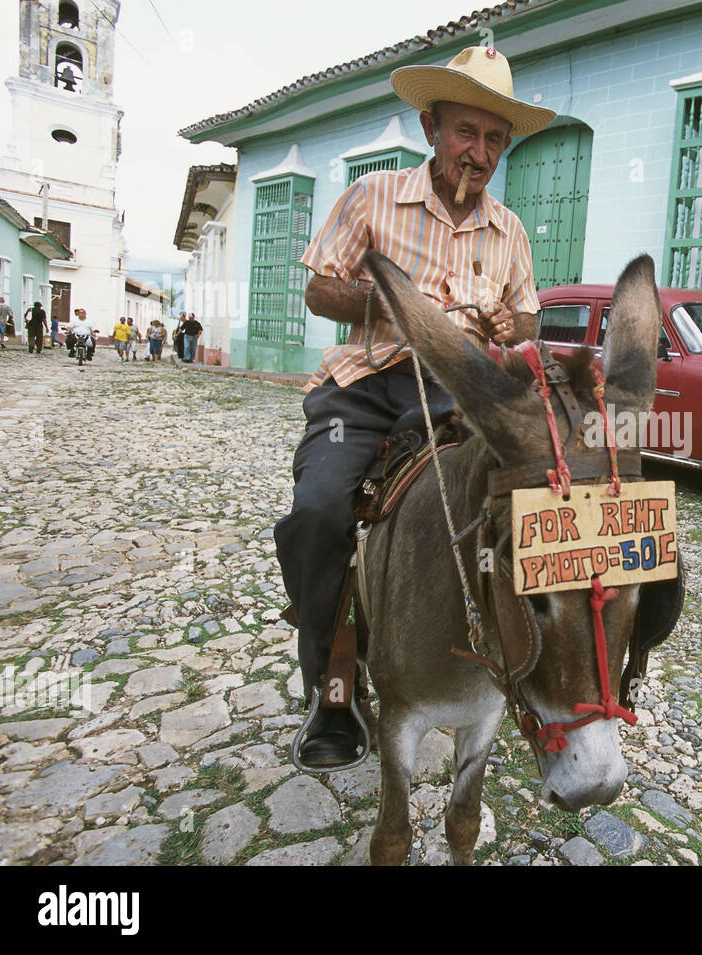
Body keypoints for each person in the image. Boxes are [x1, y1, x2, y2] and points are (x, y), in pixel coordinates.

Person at [274, 46, 553, 768]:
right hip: (366, 388)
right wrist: (397, 304)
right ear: (431, 127)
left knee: (521, 502)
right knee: (320, 509)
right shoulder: (374, 197)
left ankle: (516, 664)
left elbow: (527, 319)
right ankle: (331, 690)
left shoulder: (510, 231)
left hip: (462, 393)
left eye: (495, 139)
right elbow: (318, 288)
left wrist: (507, 327)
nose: (479, 152)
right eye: (467, 132)